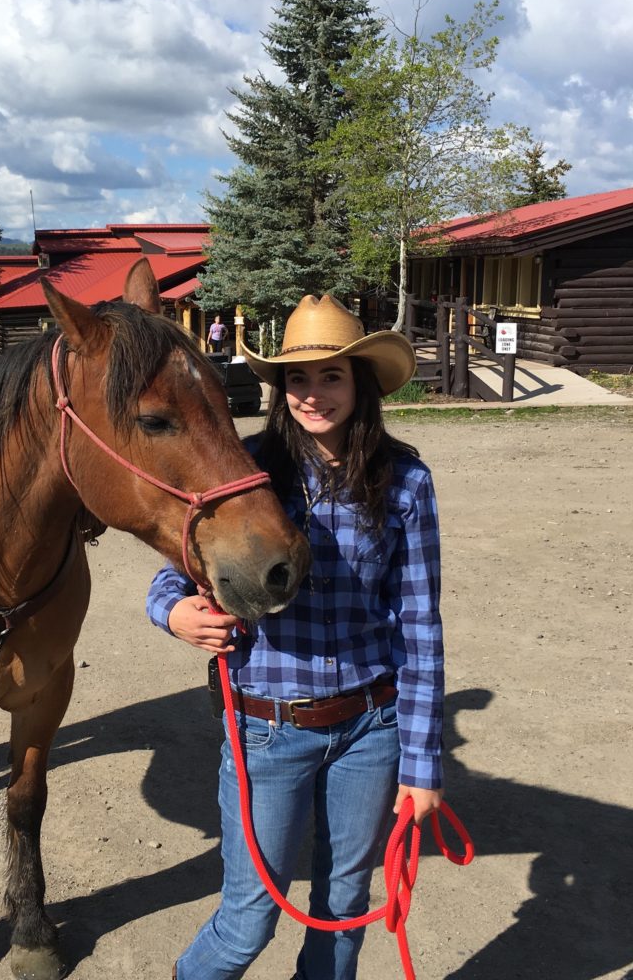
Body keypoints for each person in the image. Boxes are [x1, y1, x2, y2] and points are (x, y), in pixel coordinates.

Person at [146, 294, 444, 980]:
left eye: (331, 376)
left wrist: (422, 765)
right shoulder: (244, 469)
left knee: (344, 905)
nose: (313, 394)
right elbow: (173, 573)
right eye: (298, 379)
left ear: (360, 383)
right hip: (268, 730)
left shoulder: (405, 482)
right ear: (280, 390)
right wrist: (172, 612)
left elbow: (419, 626)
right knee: (249, 919)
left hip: (371, 727)